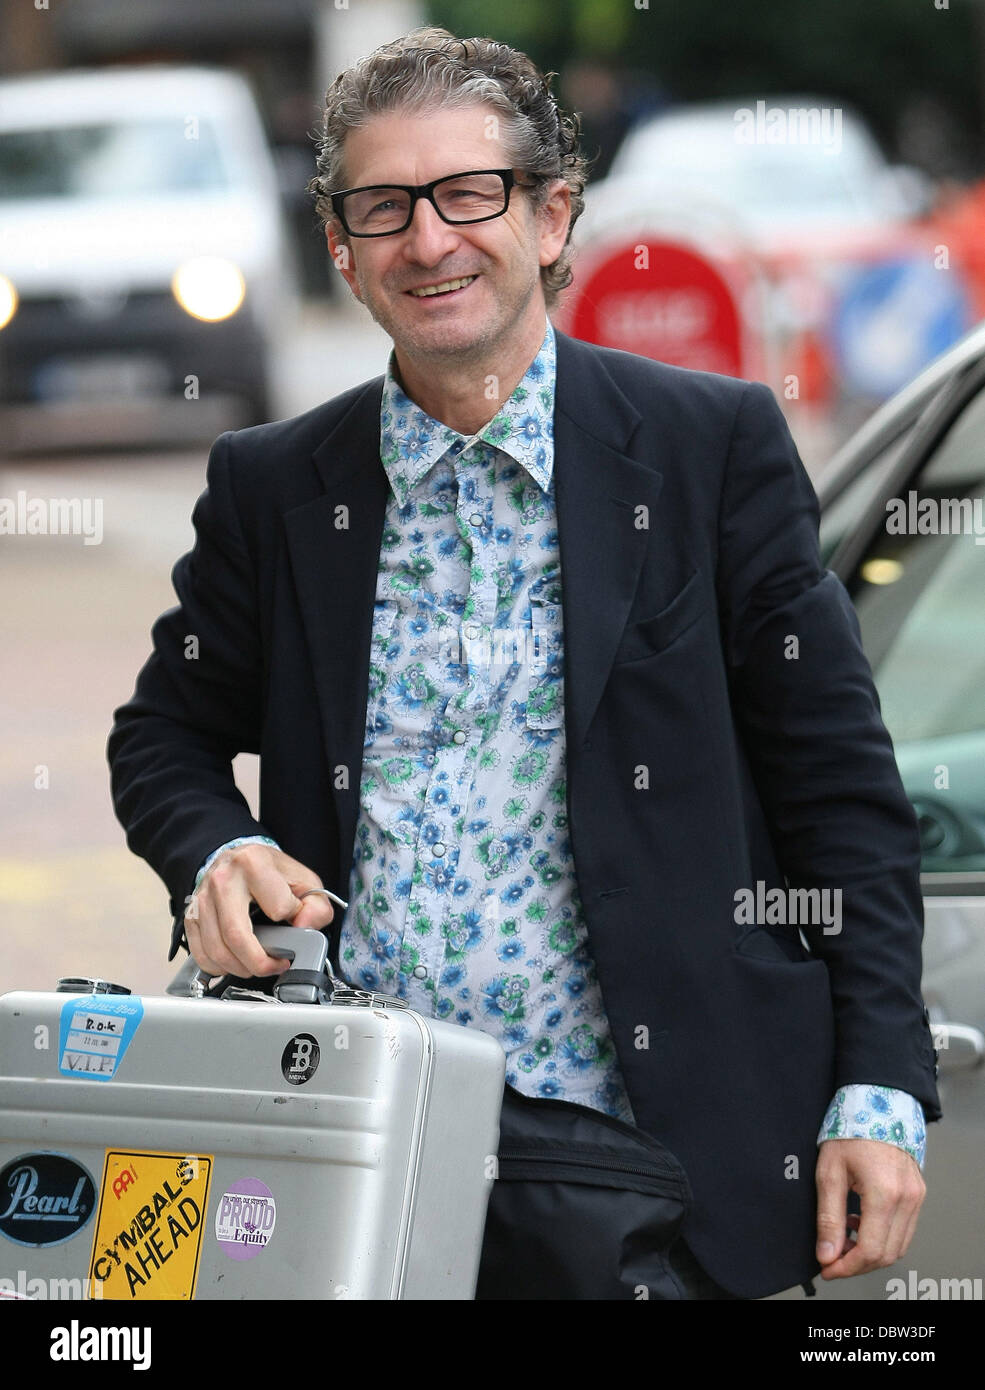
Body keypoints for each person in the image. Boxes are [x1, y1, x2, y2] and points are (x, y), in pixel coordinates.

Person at [107, 26, 940, 1300]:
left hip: (663, 1170)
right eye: (383, 208)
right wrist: (217, 851)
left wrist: (879, 1086)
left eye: (468, 195)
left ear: (552, 215)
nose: (428, 240)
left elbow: (841, 793)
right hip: (361, 1158)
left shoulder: (706, 452)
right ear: (340, 246)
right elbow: (160, 733)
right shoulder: (274, 487)